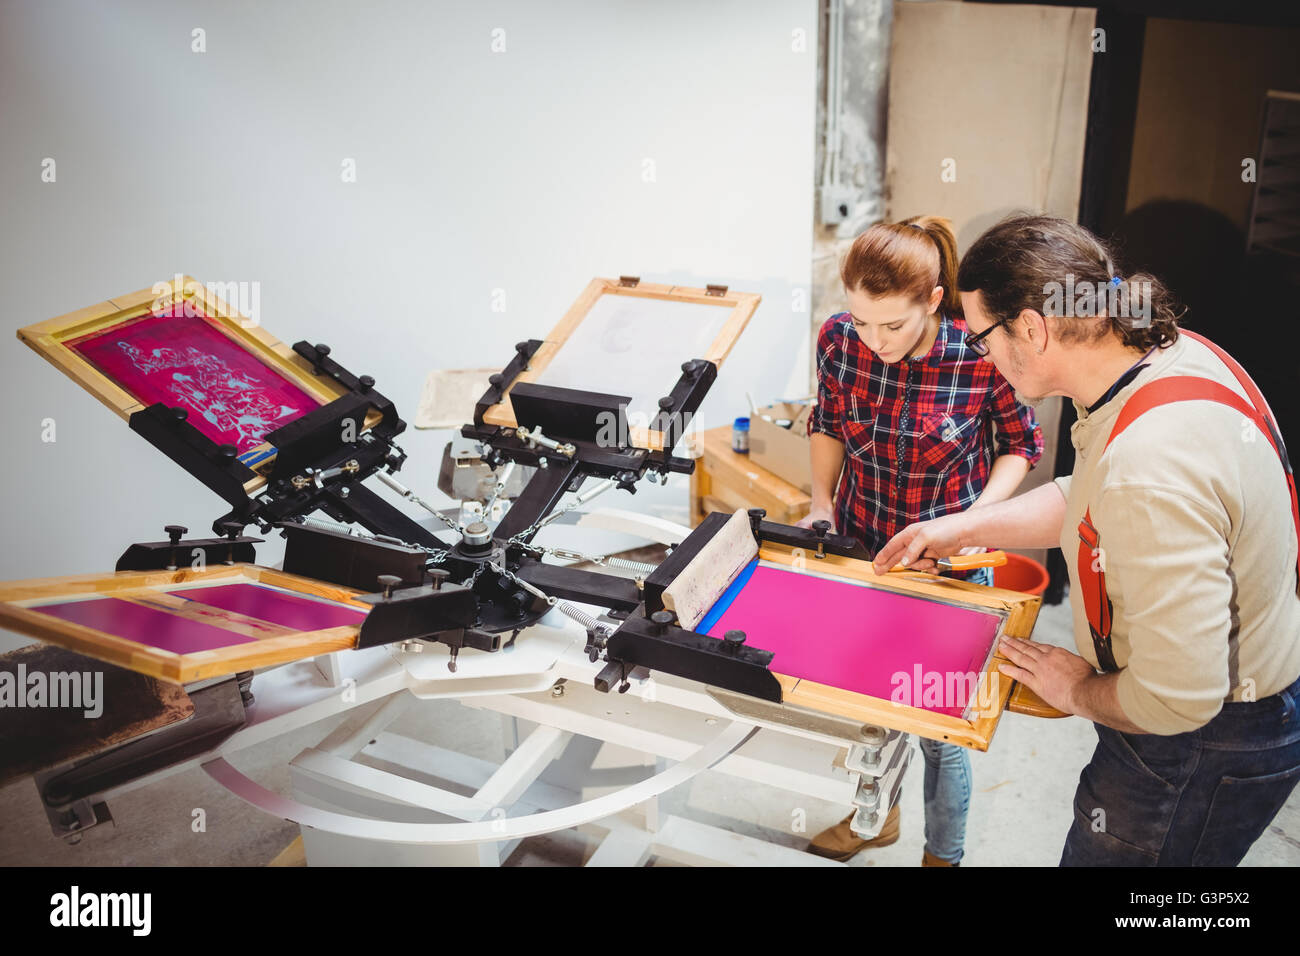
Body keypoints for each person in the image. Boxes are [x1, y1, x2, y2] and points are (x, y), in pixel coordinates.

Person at [873, 214, 1300, 866]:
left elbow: (1177, 698)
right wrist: (956, 528)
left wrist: (1076, 691)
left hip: (1200, 739)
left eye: (983, 337)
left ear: (1032, 329)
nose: (980, 355)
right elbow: (1090, 497)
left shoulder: (1149, 468)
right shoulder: (1168, 357)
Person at [799, 215, 1044, 865]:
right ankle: (876, 818)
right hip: (863, 550)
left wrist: (974, 526)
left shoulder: (977, 351)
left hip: (950, 568)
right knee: (871, 703)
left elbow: (1022, 447)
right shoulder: (838, 340)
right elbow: (826, 423)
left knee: (941, 733)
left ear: (935, 300)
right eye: (862, 321)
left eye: (893, 325)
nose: (874, 340)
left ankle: (944, 856)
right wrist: (821, 504)